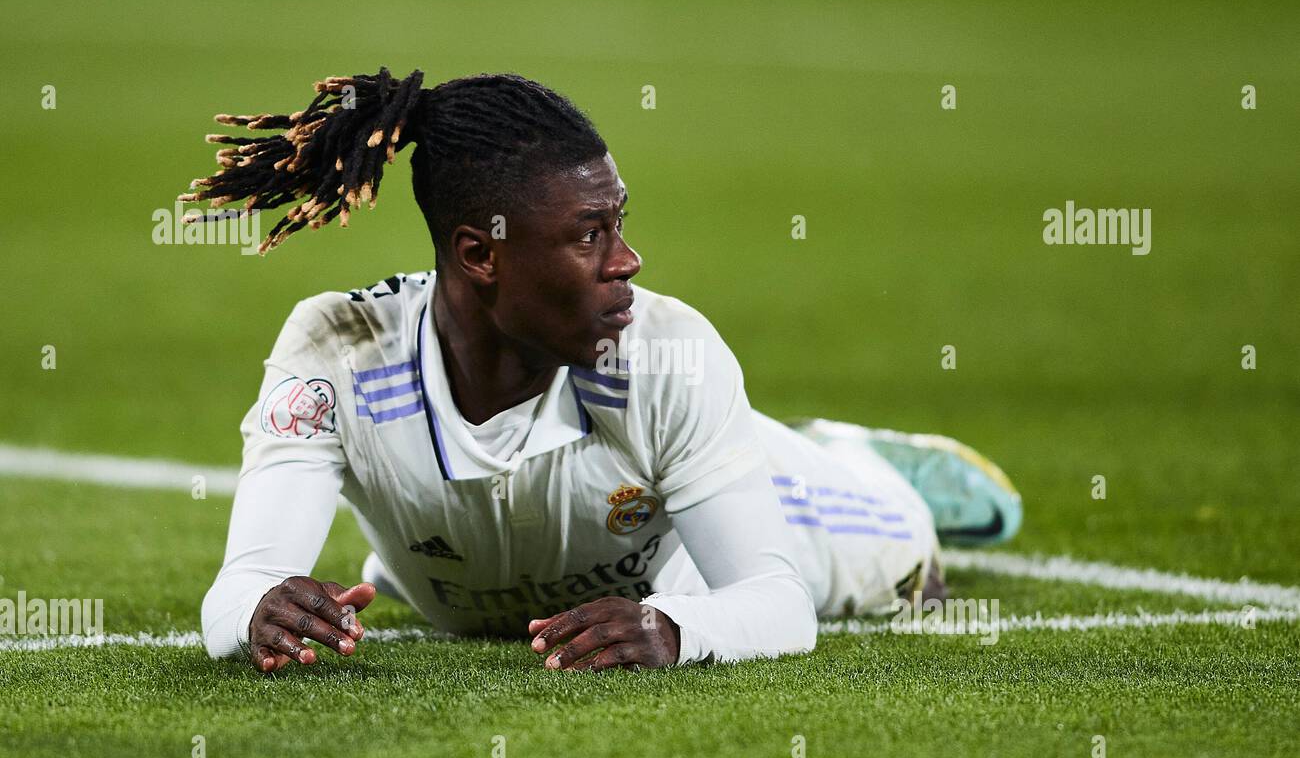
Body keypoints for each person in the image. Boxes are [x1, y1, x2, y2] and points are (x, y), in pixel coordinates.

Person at [188, 68, 1022, 673]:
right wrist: (259, 612)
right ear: (480, 255)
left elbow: (778, 603)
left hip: (770, 524)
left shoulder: (668, 354)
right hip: (459, 585)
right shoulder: (335, 354)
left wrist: (676, 629)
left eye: (619, 223)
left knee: (909, 564)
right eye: (589, 234)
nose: (627, 260)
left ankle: (860, 461)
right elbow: (237, 591)